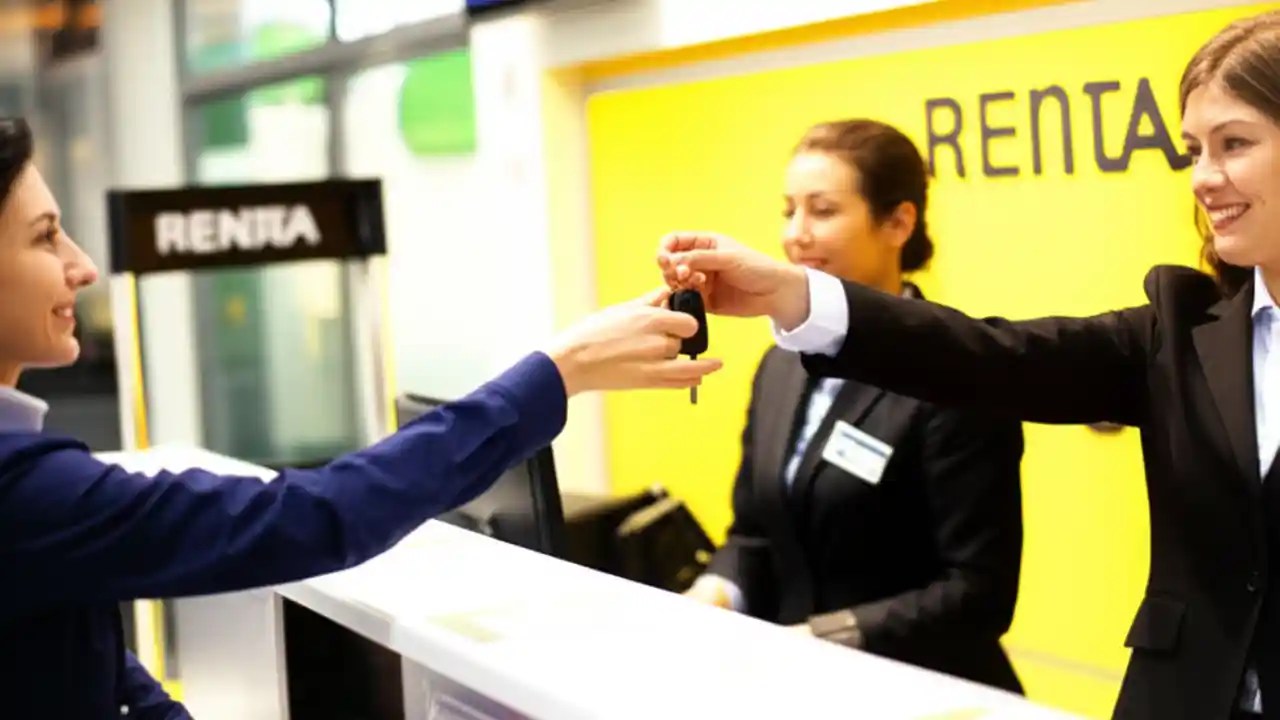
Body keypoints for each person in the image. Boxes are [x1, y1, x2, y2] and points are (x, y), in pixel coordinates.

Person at [657, 10, 1280, 720]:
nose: (1203, 178)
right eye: (1194, 150)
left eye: (1234, 144)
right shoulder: (1181, 329)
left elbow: (974, 592)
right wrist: (792, 293)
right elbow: (987, 357)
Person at [0, 116, 721, 720]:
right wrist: (560, 372)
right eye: (45, 237)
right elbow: (313, 517)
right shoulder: (18, 486)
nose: (83, 266)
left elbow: (91, 660)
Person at [682, 119, 1025, 693]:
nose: (796, 235)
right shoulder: (781, 365)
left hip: (922, 693)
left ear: (898, 223)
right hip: (801, 687)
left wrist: (819, 640)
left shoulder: (957, 373)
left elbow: (977, 593)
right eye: (789, 210)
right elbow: (754, 536)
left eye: (822, 211)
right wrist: (710, 595)